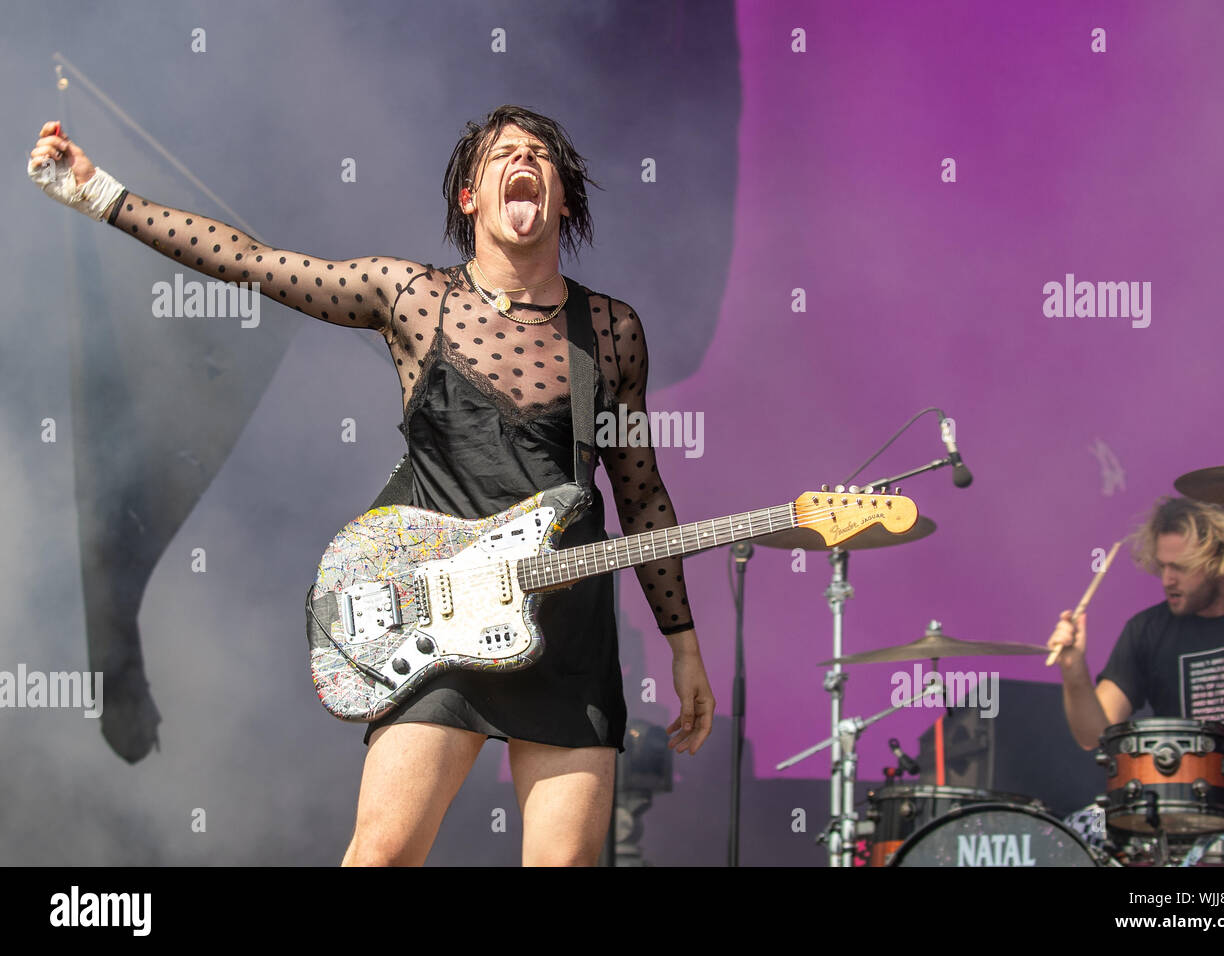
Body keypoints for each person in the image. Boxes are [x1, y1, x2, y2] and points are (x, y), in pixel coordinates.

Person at [28, 105, 716, 866]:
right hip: (436, 624)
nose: (524, 159)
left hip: (570, 629)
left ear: (560, 196)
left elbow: (642, 496)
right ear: (471, 197)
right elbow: (253, 262)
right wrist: (99, 194)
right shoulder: (414, 298)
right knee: (382, 853)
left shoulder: (612, 330)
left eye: (540, 155)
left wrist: (682, 646)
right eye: (502, 155)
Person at [1047, 495, 1224, 864]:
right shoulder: (1146, 631)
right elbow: (1093, 735)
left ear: (1219, 560)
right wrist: (1073, 669)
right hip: (1171, 805)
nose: (1167, 580)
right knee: (1074, 834)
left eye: (1181, 568)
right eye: (1163, 566)